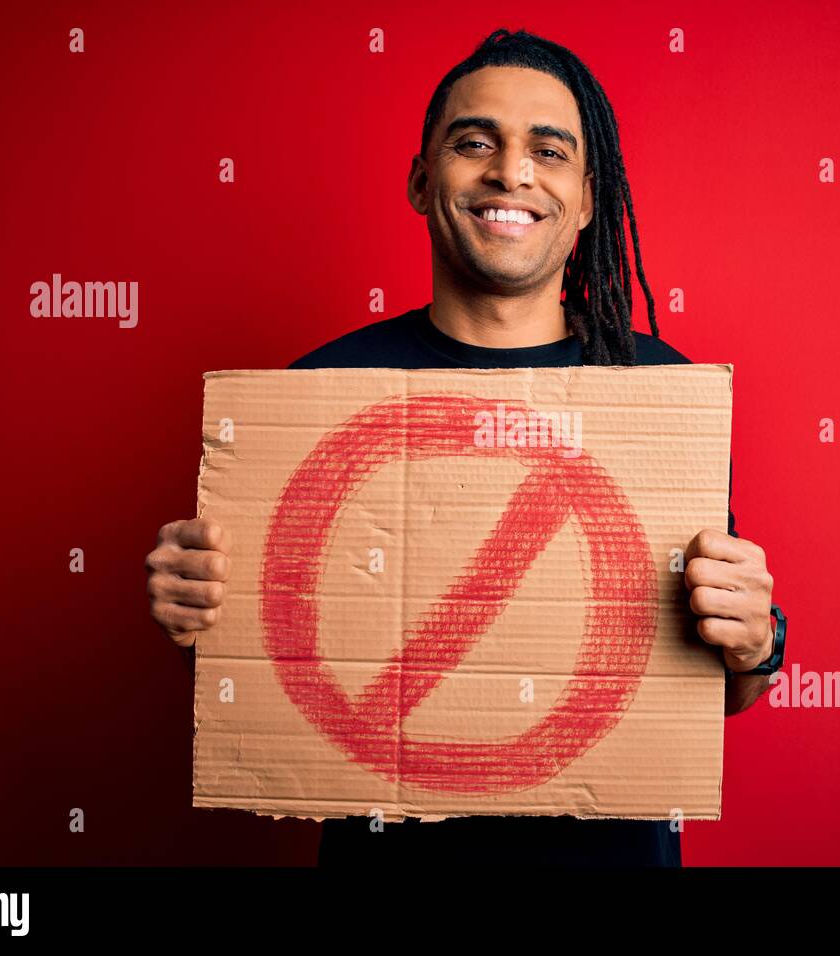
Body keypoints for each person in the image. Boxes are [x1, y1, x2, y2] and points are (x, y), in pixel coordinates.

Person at [145, 28, 778, 866]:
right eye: (474, 142)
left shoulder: (659, 399)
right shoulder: (314, 396)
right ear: (420, 179)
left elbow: (720, 689)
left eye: (547, 151)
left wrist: (756, 643)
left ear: (588, 199)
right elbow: (261, 677)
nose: (509, 172)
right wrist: (195, 615)